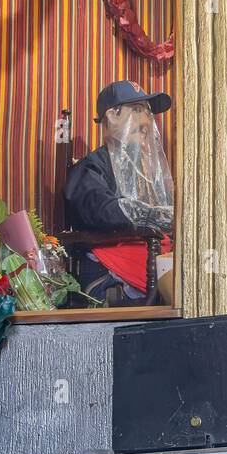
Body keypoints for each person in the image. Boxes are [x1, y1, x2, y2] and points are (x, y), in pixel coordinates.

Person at [63, 80, 173, 301]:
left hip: (153, 261)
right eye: (138, 110)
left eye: (148, 113)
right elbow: (100, 210)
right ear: (113, 116)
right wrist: (156, 215)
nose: (146, 121)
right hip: (112, 273)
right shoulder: (92, 167)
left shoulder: (144, 171)